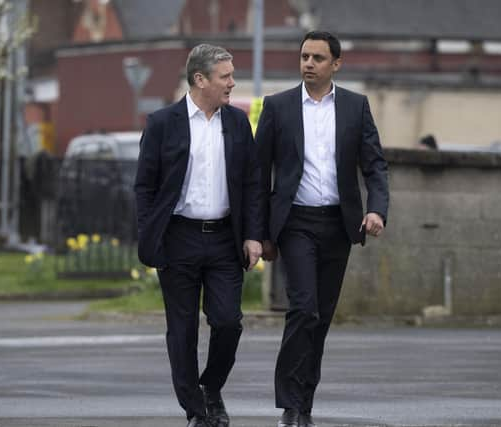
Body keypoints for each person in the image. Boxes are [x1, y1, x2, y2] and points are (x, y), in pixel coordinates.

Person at [255, 31, 389, 427]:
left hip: (338, 224)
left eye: (317, 58)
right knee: (303, 308)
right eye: (304, 57)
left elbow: (375, 165)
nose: (308, 64)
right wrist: (261, 232)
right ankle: (290, 405)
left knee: (321, 317)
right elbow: (259, 173)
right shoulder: (277, 107)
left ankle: (305, 401)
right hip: (294, 223)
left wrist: (377, 210)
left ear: (336, 64)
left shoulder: (355, 107)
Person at [134, 44, 263, 427]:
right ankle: (196, 410)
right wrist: (151, 233)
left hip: (225, 238)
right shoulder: (162, 124)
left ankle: (211, 387)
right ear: (200, 79)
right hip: (178, 238)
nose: (232, 82)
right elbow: (144, 186)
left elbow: (254, 183)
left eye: (232, 74)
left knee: (227, 322)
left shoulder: (237, 123)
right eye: (225, 76)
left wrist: (254, 235)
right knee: (183, 328)